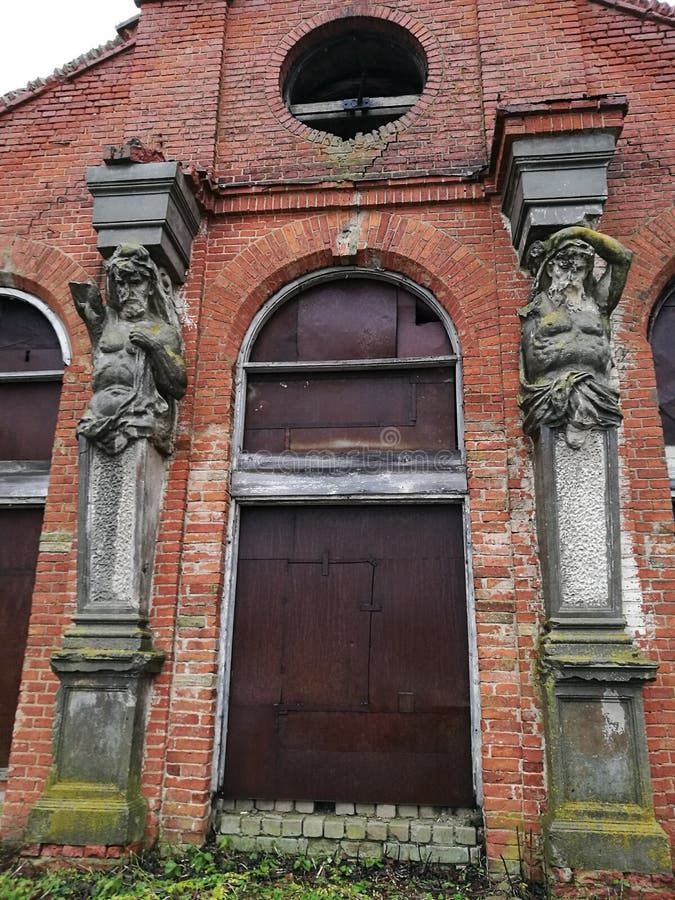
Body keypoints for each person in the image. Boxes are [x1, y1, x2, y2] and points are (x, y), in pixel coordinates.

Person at [519, 226, 632, 449]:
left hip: (597, 393)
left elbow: (623, 258)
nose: (572, 276)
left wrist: (580, 233)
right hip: (547, 395)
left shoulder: (598, 304)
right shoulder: (537, 307)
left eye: (579, 269)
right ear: (550, 269)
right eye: (565, 267)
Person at [71, 244, 187, 455]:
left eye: (135, 283)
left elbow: (178, 385)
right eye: (121, 284)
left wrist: (153, 347)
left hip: (138, 415)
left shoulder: (162, 331)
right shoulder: (107, 322)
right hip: (95, 414)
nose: (127, 291)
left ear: (150, 286)